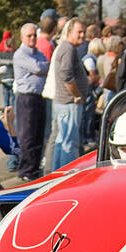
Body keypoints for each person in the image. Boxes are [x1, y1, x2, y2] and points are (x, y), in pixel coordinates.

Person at [48, 18, 88, 171]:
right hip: (69, 103)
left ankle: (58, 174)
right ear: (69, 32)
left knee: (61, 141)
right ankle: (66, 177)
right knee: (69, 143)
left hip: (63, 103)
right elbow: (66, 75)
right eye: (79, 32)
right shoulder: (68, 48)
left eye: (84, 32)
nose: (82, 35)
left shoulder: (66, 47)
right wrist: (77, 95)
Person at [11, 23, 48, 181]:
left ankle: (34, 168)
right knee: (28, 135)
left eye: (34, 35)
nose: (32, 38)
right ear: (22, 37)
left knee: (38, 134)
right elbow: (39, 68)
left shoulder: (38, 53)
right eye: (29, 36)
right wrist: (44, 66)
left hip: (39, 97)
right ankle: (26, 170)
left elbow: (41, 67)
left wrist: (43, 67)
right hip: (27, 98)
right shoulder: (20, 54)